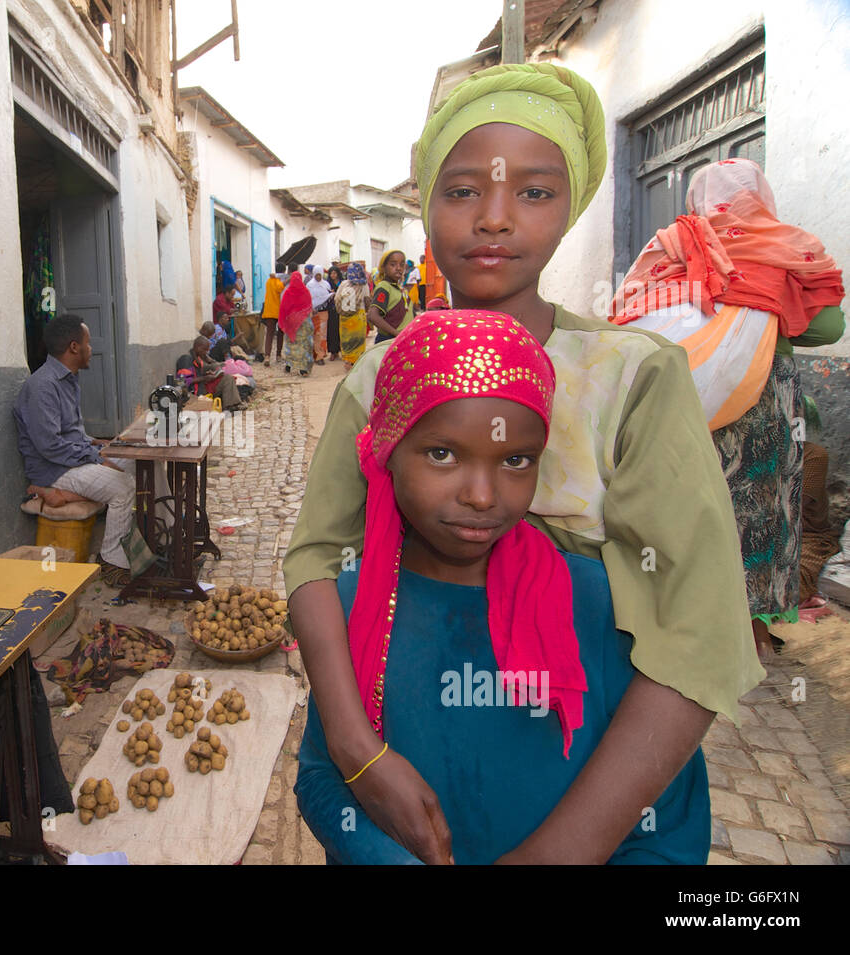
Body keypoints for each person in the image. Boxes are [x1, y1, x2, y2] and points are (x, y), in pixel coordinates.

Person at [283, 63, 760, 863]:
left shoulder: (632, 375)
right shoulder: (376, 378)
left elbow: (697, 629)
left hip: (591, 779)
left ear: (571, 207)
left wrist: (558, 854)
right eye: (462, 190)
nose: (495, 219)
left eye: (534, 192)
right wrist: (358, 751)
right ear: (427, 204)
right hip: (411, 741)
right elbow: (316, 557)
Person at [295, 312, 709, 864]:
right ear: (388, 451)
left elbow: (667, 823)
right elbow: (323, 774)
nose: (484, 496)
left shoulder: (600, 607)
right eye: (442, 454)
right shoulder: (351, 603)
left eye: (516, 461)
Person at [610, 158, 845, 660]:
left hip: (683, 397)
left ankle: (683, 620)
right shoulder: (785, 247)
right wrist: (766, 315)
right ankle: (754, 634)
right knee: (762, 511)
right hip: (763, 399)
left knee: (692, 506)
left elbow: (628, 310)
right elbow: (828, 329)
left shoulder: (673, 243)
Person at [14, 315, 135, 586]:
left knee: (139, 462)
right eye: (88, 344)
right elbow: (50, 446)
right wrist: (98, 457)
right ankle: (111, 560)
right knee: (123, 486)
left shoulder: (68, 380)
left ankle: (163, 536)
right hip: (54, 469)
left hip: (71, 459)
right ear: (73, 347)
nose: (92, 349)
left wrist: (101, 445)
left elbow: (72, 434)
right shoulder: (42, 386)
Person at [176, 336, 245, 410]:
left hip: (203, 385)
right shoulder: (186, 360)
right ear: (198, 347)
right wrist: (204, 378)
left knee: (228, 378)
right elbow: (183, 382)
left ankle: (232, 404)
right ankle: (231, 406)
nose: (206, 352)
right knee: (227, 380)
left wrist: (209, 374)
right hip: (197, 392)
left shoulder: (198, 357)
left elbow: (202, 371)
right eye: (205, 350)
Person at [367, 248, 413, 343]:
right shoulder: (384, 287)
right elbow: (372, 315)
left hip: (403, 339)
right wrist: (398, 335)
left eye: (402, 264)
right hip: (389, 340)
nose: (398, 268)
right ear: (383, 267)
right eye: (393, 264)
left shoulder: (402, 290)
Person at [279, 270, 315, 377]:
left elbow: (283, 309)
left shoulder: (288, 292)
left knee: (291, 345)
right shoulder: (306, 292)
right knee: (304, 346)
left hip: (291, 324)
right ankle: (303, 369)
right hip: (304, 323)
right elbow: (309, 307)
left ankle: (288, 365)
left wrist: (285, 321)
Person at [335, 262, 370, 365]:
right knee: (358, 340)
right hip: (358, 316)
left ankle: (347, 360)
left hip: (344, 317)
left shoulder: (343, 283)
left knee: (347, 339)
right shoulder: (364, 285)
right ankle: (356, 362)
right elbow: (367, 301)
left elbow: (336, 298)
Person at [307, 266, 333, 364]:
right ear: (314, 274)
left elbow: (328, 296)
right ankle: (317, 356)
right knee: (316, 334)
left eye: (320, 275)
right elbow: (309, 299)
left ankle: (321, 354)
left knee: (323, 335)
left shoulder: (326, 284)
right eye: (317, 275)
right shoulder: (310, 285)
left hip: (324, 312)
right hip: (314, 313)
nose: (318, 277)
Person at [261, 269, 287, 367]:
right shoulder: (279, 281)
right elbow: (279, 288)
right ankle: (278, 355)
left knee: (269, 334)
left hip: (269, 310)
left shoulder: (269, 281)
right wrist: (287, 281)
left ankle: (267, 356)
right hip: (279, 311)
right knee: (280, 333)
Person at [325, 265, 343, 360]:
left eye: (335, 273)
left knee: (340, 330)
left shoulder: (343, 283)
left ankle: (340, 351)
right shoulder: (328, 284)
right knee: (332, 331)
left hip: (341, 309)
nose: (333, 275)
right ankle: (333, 351)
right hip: (331, 310)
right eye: (331, 273)